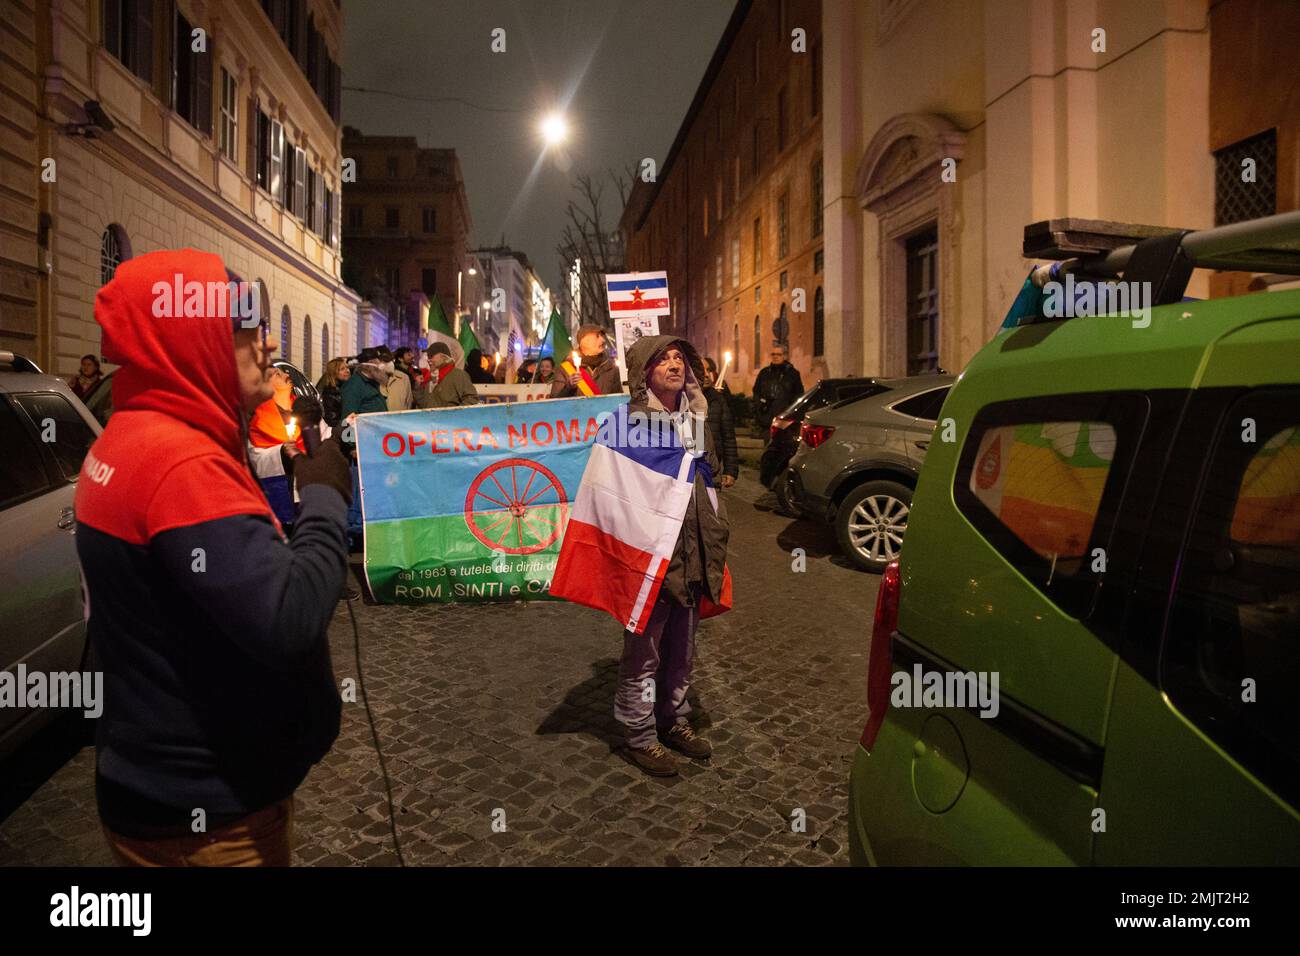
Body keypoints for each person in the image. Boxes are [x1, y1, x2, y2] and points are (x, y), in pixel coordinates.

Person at [74, 249, 352, 866]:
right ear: (193, 335)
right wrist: (327, 499)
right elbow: (289, 618)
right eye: (249, 323)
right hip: (209, 819)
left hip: (153, 786)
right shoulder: (181, 465)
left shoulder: (133, 430)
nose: (270, 339)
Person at [612, 337, 729, 777]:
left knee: (683, 647)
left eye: (680, 357)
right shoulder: (625, 425)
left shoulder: (697, 420)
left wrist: (717, 534)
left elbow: (709, 479)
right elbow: (613, 494)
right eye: (663, 357)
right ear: (644, 371)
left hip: (694, 551)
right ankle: (639, 735)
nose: (675, 363)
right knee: (644, 652)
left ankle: (671, 719)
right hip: (651, 560)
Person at [247, 366, 306, 528]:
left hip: (308, 489)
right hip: (283, 489)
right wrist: (281, 451)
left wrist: (348, 426)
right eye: (278, 374)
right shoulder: (259, 419)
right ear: (267, 384)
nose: (287, 374)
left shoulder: (304, 409)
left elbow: (324, 435)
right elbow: (256, 458)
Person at [551, 324, 622, 397]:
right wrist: (569, 387)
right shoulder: (565, 369)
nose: (603, 340)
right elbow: (554, 401)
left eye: (602, 336)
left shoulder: (611, 367)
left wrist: (624, 408)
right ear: (584, 340)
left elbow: (619, 400)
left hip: (606, 409)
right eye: (597, 336)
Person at [702, 357, 738, 487]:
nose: (706, 374)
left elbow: (728, 437)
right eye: (701, 370)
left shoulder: (718, 400)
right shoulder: (682, 398)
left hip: (712, 470)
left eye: (708, 370)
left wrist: (730, 470)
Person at [752, 343, 804, 434]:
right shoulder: (764, 373)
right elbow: (756, 392)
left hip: (785, 421)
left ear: (784, 356)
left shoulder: (793, 374)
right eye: (773, 354)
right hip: (767, 420)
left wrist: (790, 413)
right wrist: (759, 408)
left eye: (778, 354)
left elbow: (798, 395)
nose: (775, 357)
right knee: (768, 446)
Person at [415, 342, 479, 408]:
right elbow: (425, 406)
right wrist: (418, 387)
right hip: (431, 418)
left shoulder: (458, 375)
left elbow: (472, 399)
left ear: (443, 356)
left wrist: (455, 415)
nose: (428, 360)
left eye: (431, 356)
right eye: (428, 356)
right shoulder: (429, 378)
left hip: (451, 418)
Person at [316, 357, 350, 429]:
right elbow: (332, 420)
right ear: (334, 373)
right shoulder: (330, 393)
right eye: (342, 369)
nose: (347, 371)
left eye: (347, 368)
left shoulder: (346, 388)